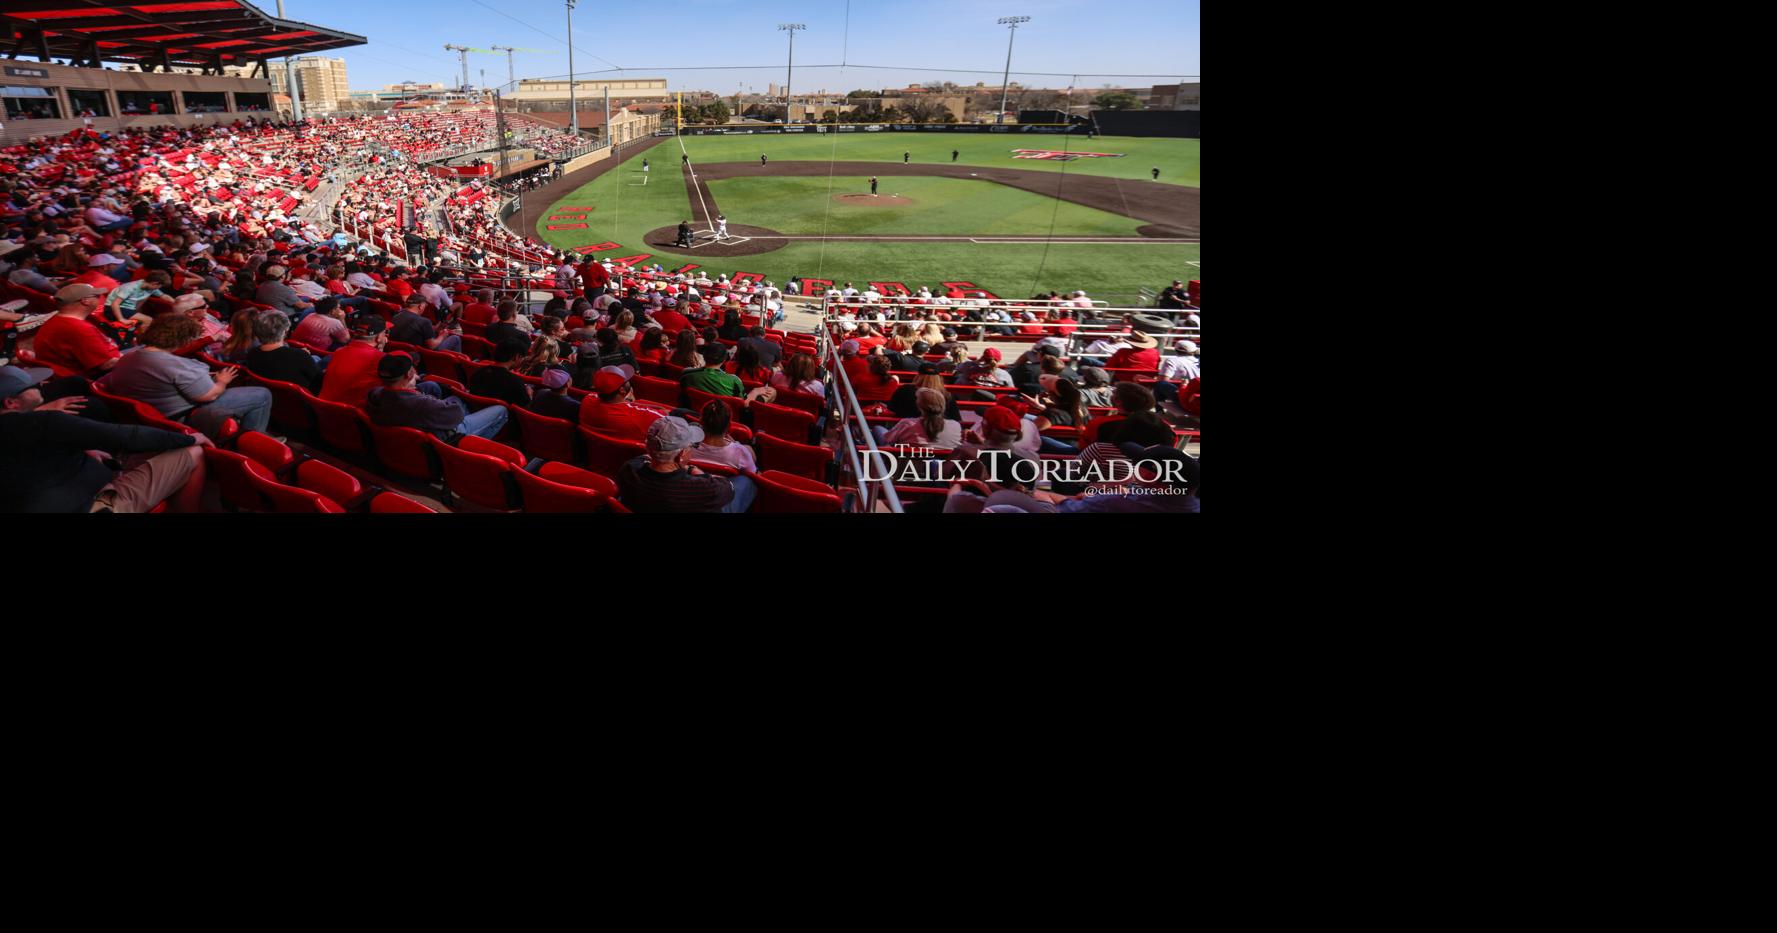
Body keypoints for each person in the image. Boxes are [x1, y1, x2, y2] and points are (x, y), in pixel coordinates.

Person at [1, 365, 208, 514]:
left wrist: (83, 453)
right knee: (194, 453)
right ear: (11, 402)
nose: (42, 385)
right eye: (32, 385)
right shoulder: (43, 422)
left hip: (62, 496)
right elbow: (127, 437)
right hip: (91, 506)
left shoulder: (30, 427)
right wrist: (190, 439)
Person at [99, 314, 273, 438]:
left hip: (145, 415)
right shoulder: (175, 365)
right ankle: (253, 440)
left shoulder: (128, 357)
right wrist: (221, 382)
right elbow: (209, 395)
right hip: (181, 417)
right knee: (262, 394)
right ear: (183, 340)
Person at [616, 415, 754, 514]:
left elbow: (643, 459)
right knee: (746, 482)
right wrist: (695, 470)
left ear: (649, 448)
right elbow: (728, 489)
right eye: (690, 446)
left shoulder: (628, 470)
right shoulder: (702, 487)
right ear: (682, 454)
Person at [366, 353, 508, 441]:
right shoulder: (421, 403)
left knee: (457, 400)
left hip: (413, 427)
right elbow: (457, 415)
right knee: (501, 410)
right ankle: (468, 446)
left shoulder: (374, 395)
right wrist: (422, 396)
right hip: (446, 437)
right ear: (409, 374)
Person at [33, 283, 122, 379]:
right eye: (97, 296)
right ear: (85, 301)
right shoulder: (78, 328)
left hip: (67, 374)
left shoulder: (58, 320)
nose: (100, 298)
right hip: (91, 378)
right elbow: (106, 364)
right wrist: (131, 356)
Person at [245, 309, 323, 391]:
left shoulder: (251, 354)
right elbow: (320, 381)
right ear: (285, 332)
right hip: (296, 397)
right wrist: (304, 356)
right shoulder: (300, 356)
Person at [579, 366, 666, 439]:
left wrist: (628, 402)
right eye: (626, 380)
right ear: (622, 390)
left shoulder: (587, 400)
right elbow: (666, 417)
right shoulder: (640, 416)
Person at [878, 387, 963, 449]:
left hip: (910, 465)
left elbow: (887, 440)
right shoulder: (955, 425)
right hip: (943, 466)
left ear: (919, 406)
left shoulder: (907, 424)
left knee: (878, 429)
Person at [691, 400, 758, 473]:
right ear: (729, 426)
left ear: (701, 422)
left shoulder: (687, 447)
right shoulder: (740, 452)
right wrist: (736, 444)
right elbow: (753, 474)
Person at [469, 337, 534, 407]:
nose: (522, 361)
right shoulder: (515, 382)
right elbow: (523, 408)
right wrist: (530, 395)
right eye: (522, 358)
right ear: (516, 357)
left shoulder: (478, 373)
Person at [391, 294, 463, 353]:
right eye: (425, 306)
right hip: (421, 354)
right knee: (455, 338)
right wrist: (442, 336)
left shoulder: (396, 315)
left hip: (399, 350)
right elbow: (432, 346)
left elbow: (416, 328)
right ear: (420, 306)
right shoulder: (424, 321)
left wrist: (435, 328)